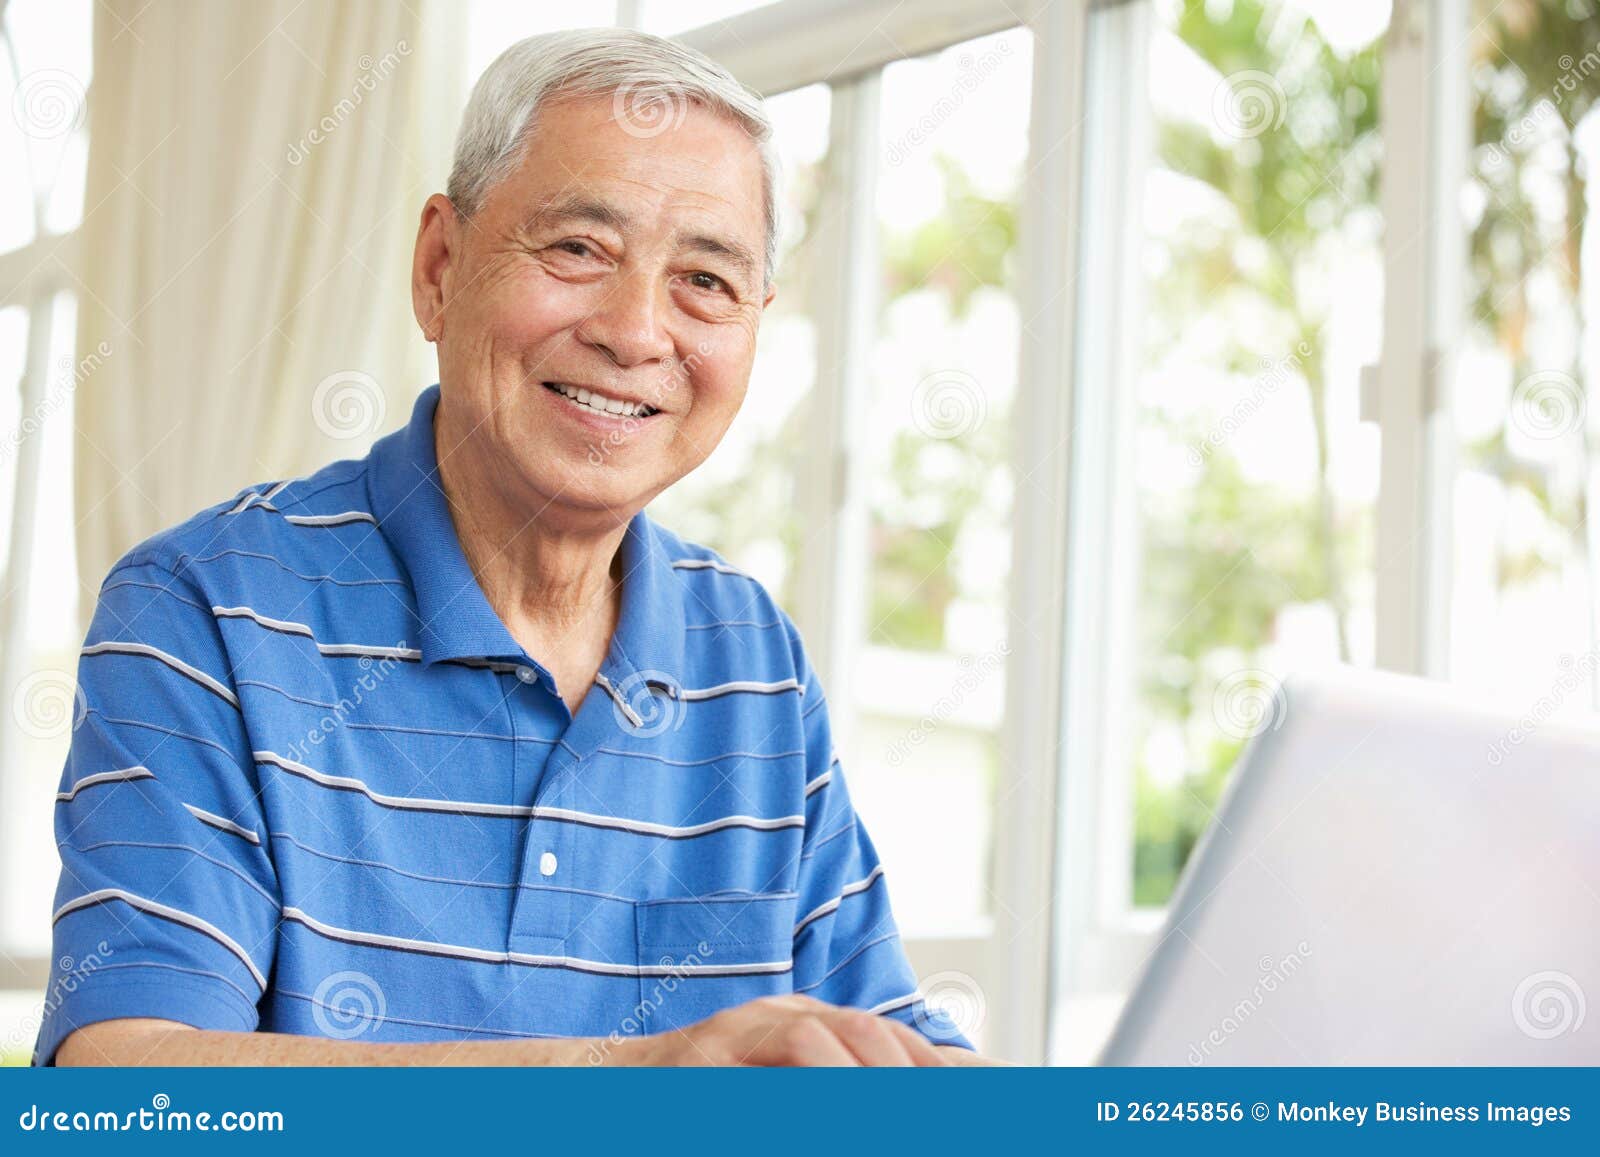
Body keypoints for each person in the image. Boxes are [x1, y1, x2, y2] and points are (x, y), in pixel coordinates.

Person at [39, 27, 989, 1067]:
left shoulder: (753, 657)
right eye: (578, 249)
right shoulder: (201, 605)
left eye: (706, 280)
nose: (636, 332)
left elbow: (891, 1051)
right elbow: (121, 1082)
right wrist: (632, 1076)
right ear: (440, 268)